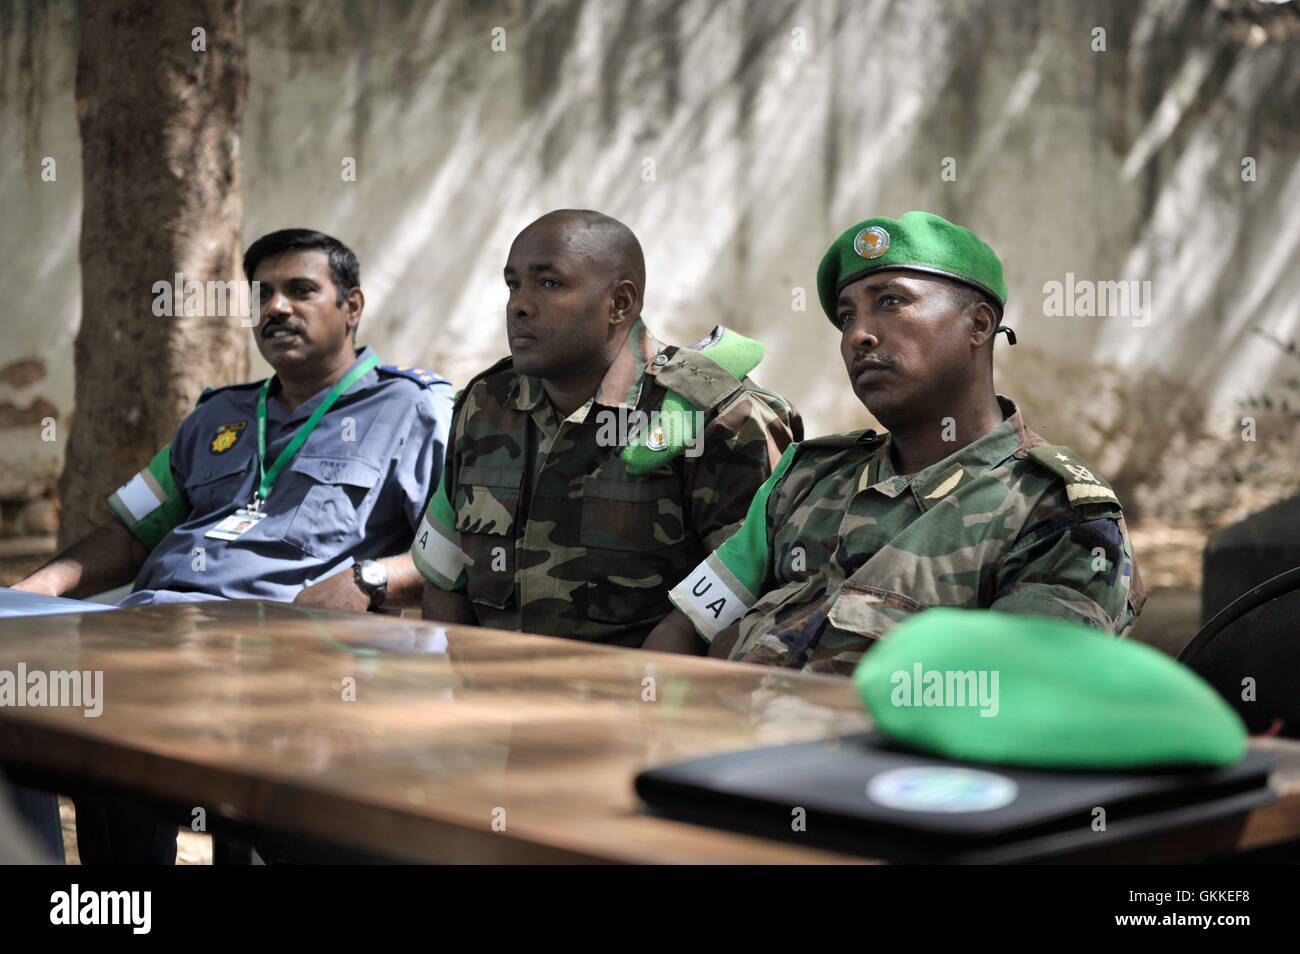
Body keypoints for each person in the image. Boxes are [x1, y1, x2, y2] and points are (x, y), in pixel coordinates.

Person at [14, 228, 454, 862]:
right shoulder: (219, 415)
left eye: (301, 290)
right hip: (145, 637)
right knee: (30, 720)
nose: (276, 308)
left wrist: (371, 579)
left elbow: (454, 544)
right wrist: (32, 594)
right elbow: (131, 529)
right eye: (263, 295)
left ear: (351, 307)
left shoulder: (412, 411)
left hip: (278, 649)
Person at [645, 211, 1145, 675]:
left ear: (979, 324)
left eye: (891, 302)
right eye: (845, 316)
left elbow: (1013, 706)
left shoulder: (1053, 511)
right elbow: (686, 627)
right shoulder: (806, 479)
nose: (859, 333)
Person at [415, 209, 800, 646]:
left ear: (619, 303)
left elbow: (749, 609)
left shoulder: (715, 418)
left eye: (549, 283)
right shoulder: (486, 404)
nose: (519, 305)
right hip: (491, 696)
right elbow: (446, 579)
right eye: (513, 284)